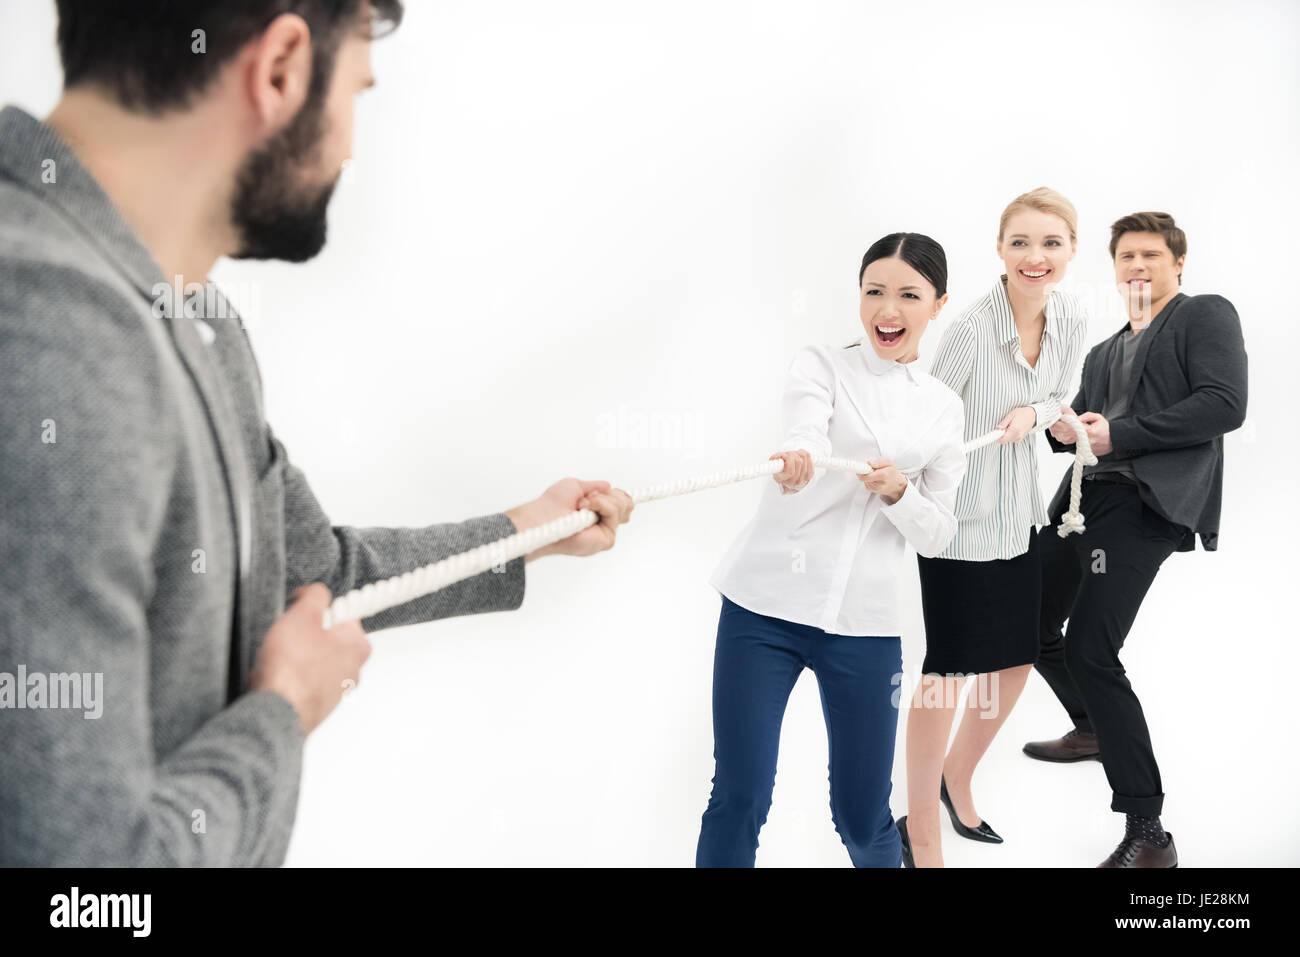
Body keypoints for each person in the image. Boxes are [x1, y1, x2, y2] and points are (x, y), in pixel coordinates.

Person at [0, 0, 634, 866]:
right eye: (356, 94)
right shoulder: (54, 339)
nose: (347, 148)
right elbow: (90, 887)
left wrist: (526, 533)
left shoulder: (193, 319)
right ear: (282, 68)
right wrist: (282, 711)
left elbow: (308, 575)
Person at [698, 233, 967, 867]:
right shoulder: (821, 364)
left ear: (939, 303)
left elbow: (939, 533)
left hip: (865, 631)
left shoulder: (943, 410)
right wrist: (801, 459)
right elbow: (805, 429)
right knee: (739, 794)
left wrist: (901, 492)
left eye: (908, 294)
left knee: (861, 813)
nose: (887, 310)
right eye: (874, 292)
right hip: (763, 612)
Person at [1024, 211, 1248, 867]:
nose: (1137, 266)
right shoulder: (1104, 351)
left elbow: (1223, 403)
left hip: (1145, 499)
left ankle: (1149, 833)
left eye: (1151, 254)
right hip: (1084, 499)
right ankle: (1094, 725)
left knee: (1093, 645)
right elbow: (1086, 424)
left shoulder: (1205, 314)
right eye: (1126, 256)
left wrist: (1117, 435)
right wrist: (1063, 429)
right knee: (1027, 619)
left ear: (1178, 263)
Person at [900, 188, 1088, 867]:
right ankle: (919, 825)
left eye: (1050, 244)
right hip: (956, 522)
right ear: (1000, 249)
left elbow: (1059, 395)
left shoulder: (1071, 315)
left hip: (1018, 519)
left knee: (1016, 657)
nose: (1035, 257)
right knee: (949, 672)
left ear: (1071, 250)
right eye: (1020, 243)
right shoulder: (973, 330)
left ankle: (957, 778)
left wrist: (1035, 417)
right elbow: (926, 414)